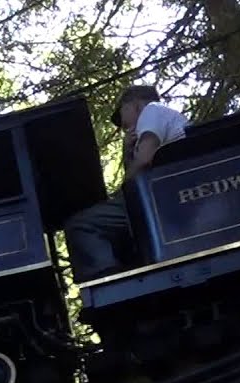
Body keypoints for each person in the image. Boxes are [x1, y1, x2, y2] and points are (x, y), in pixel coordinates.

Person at [64, 85, 190, 281]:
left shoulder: (151, 110)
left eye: (122, 114)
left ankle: (108, 280)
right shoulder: (160, 118)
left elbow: (143, 162)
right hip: (169, 194)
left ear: (134, 105)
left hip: (161, 197)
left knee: (81, 224)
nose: (123, 126)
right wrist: (126, 152)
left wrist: (125, 180)